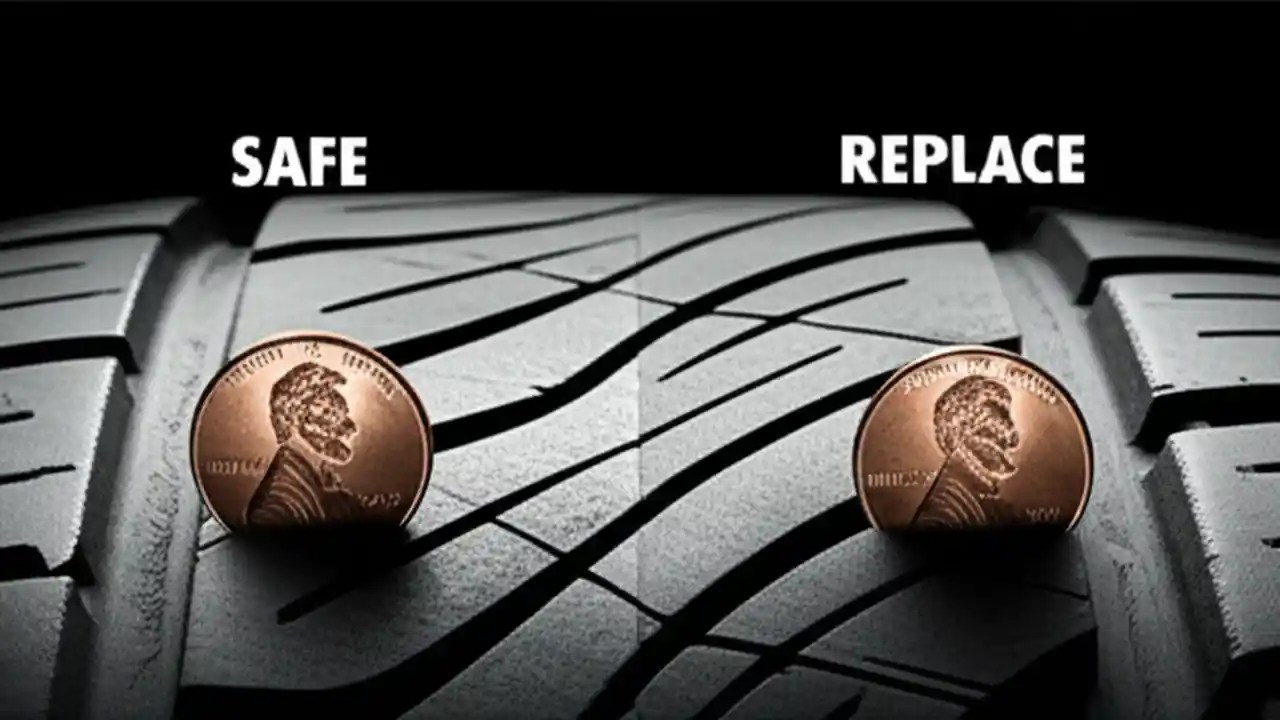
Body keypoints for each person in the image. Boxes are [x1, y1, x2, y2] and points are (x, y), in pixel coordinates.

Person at [244, 362, 401, 527]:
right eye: (330, 414)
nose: (351, 429)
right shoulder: (275, 508)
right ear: (299, 419)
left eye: (342, 414)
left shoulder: (322, 476)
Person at [911, 375, 1021, 529]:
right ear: (965, 427)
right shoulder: (942, 514)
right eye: (1002, 416)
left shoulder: (985, 497)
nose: (1014, 437)